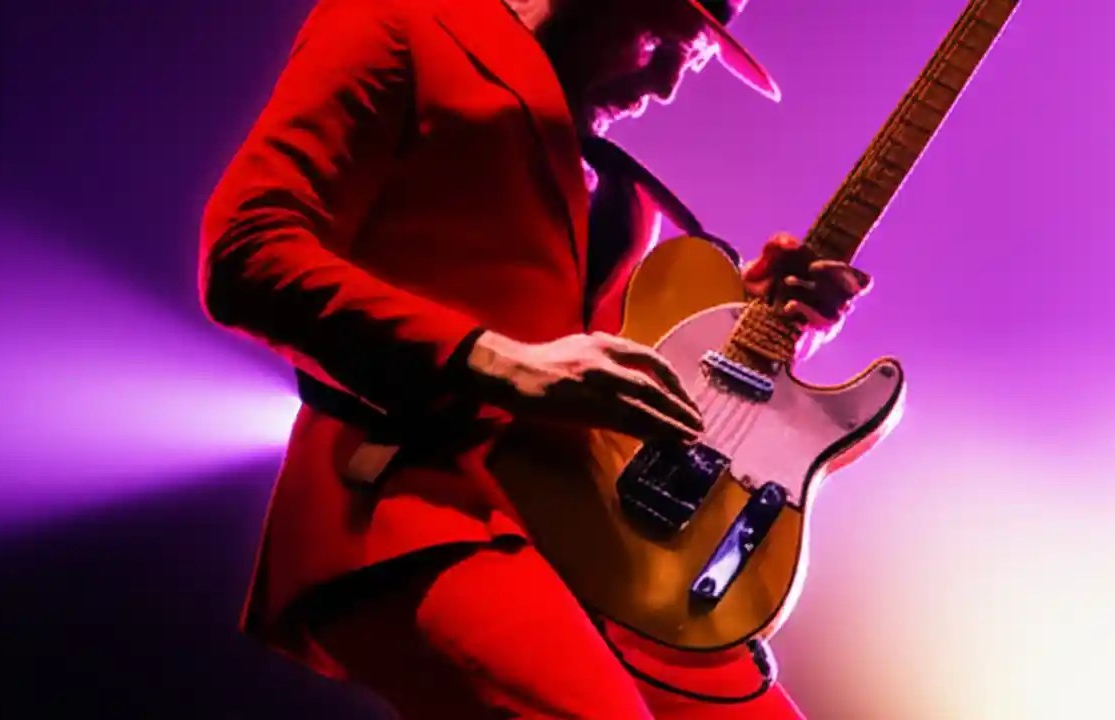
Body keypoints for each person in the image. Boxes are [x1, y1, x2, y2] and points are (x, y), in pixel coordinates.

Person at [199, 0, 872, 716]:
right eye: (659, 39)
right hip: (413, 502)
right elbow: (249, 251)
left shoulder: (619, 187)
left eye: (694, 57)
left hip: (599, 543)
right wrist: (500, 364)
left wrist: (750, 322)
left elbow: (598, 367)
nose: (669, 85)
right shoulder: (399, 24)